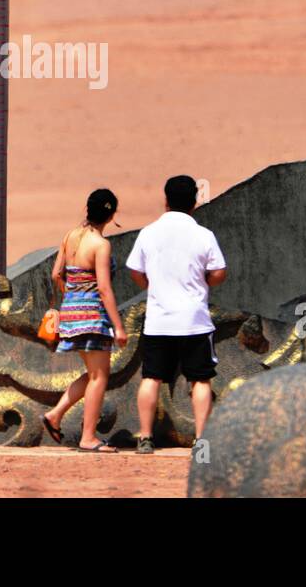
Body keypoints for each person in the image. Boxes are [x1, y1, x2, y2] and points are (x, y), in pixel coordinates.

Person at [127, 175, 227, 453]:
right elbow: (219, 271)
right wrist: (206, 282)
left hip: (159, 319)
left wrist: (150, 286)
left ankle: (145, 437)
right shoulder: (203, 235)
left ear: (166, 200)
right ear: (195, 202)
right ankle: (202, 441)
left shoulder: (149, 232)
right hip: (194, 320)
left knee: (151, 378)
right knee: (201, 379)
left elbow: (135, 270)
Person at [41, 189, 128, 452]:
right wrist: (119, 326)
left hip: (71, 316)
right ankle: (88, 437)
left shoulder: (71, 236)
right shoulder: (101, 245)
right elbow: (104, 289)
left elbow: (57, 273)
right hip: (93, 317)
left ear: (87, 209)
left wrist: (73, 297)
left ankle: (55, 415)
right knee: (100, 376)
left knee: (93, 374)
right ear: (112, 214)